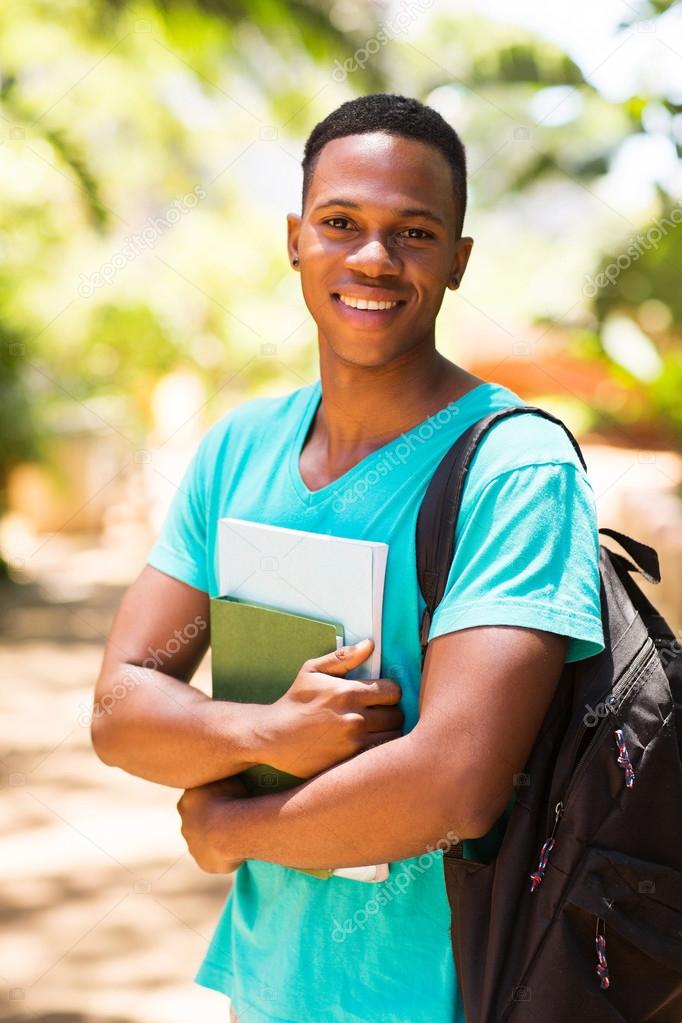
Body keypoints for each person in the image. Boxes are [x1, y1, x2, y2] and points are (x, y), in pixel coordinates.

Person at [92, 93, 605, 1023]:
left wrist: (229, 828)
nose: (373, 256)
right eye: (341, 222)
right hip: (270, 984)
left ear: (458, 260)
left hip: (462, 993)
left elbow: (457, 783)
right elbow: (122, 707)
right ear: (295, 238)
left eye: (414, 231)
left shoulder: (513, 468)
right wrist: (263, 734)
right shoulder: (237, 452)